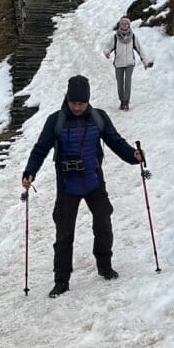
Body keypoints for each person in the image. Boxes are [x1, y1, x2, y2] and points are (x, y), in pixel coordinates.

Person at [22, 75, 143, 297]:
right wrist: (30, 172)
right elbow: (40, 149)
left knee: (103, 224)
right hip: (67, 184)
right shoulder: (55, 121)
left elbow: (115, 141)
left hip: (94, 180)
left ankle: (105, 266)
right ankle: (61, 280)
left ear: (88, 100)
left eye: (81, 102)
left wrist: (133, 156)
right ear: (68, 98)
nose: (77, 107)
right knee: (64, 234)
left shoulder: (98, 117)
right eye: (74, 102)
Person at [102, 16, 150, 110]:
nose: (124, 25)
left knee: (128, 82)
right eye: (122, 24)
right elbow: (108, 47)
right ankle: (122, 101)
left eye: (126, 24)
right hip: (119, 63)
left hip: (129, 63)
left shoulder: (133, 37)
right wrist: (107, 52)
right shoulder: (115, 37)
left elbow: (140, 49)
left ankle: (126, 102)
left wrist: (144, 61)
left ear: (129, 25)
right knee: (120, 83)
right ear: (120, 25)